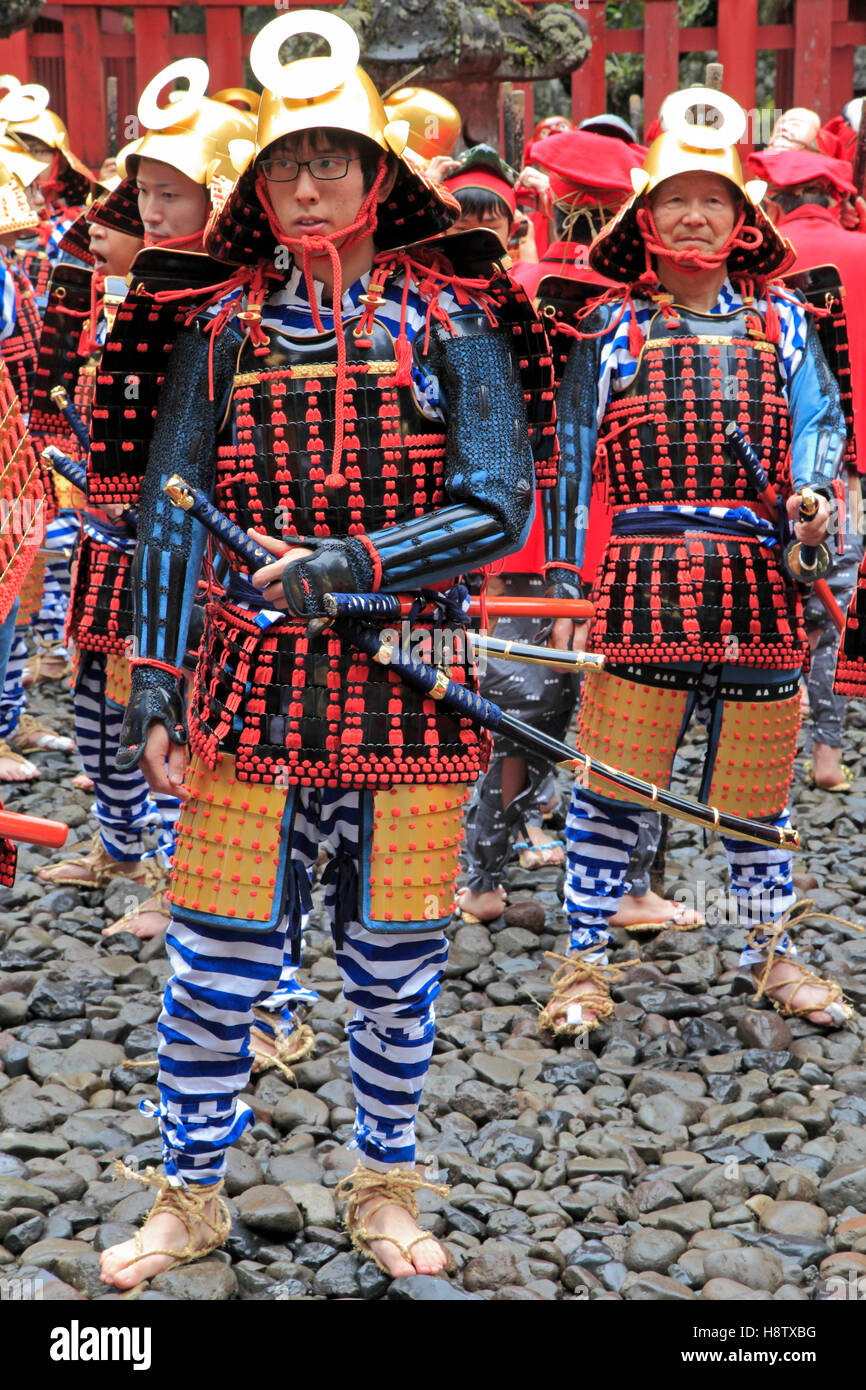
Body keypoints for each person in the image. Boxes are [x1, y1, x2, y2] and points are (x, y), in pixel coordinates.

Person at [96, 12, 551, 1288]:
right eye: (287, 166)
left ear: (375, 180)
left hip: (412, 682)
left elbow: (497, 500)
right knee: (215, 954)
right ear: (258, 186)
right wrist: (152, 683)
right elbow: (169, 513)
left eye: (332, 164)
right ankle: (185, 1194)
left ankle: (386, 1180)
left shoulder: (451, 318)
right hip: (247, 679)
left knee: (396, 960)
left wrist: (354, 564)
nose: (308, 186)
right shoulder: (222, 326)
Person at [543, 87, 852, 1036]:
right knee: (614, 783)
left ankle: (769, 951)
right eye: (674, 197)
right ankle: (583, 963)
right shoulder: (612, 329)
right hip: (641, 577)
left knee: (761, 785)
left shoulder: (785, 323)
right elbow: (572, 453)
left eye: (712, 198)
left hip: (759, 575)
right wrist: (563, 580)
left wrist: (810, 495)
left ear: (740, 216)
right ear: (645, 216)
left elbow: (821, 424)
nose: (693, 214)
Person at [750, 147, 866, 792]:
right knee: (838, 610)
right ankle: (827, 754)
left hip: (775, 465)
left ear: (773, 202)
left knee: (777, 599)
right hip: (850, 474)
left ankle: (763, 749)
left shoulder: (764, 263)